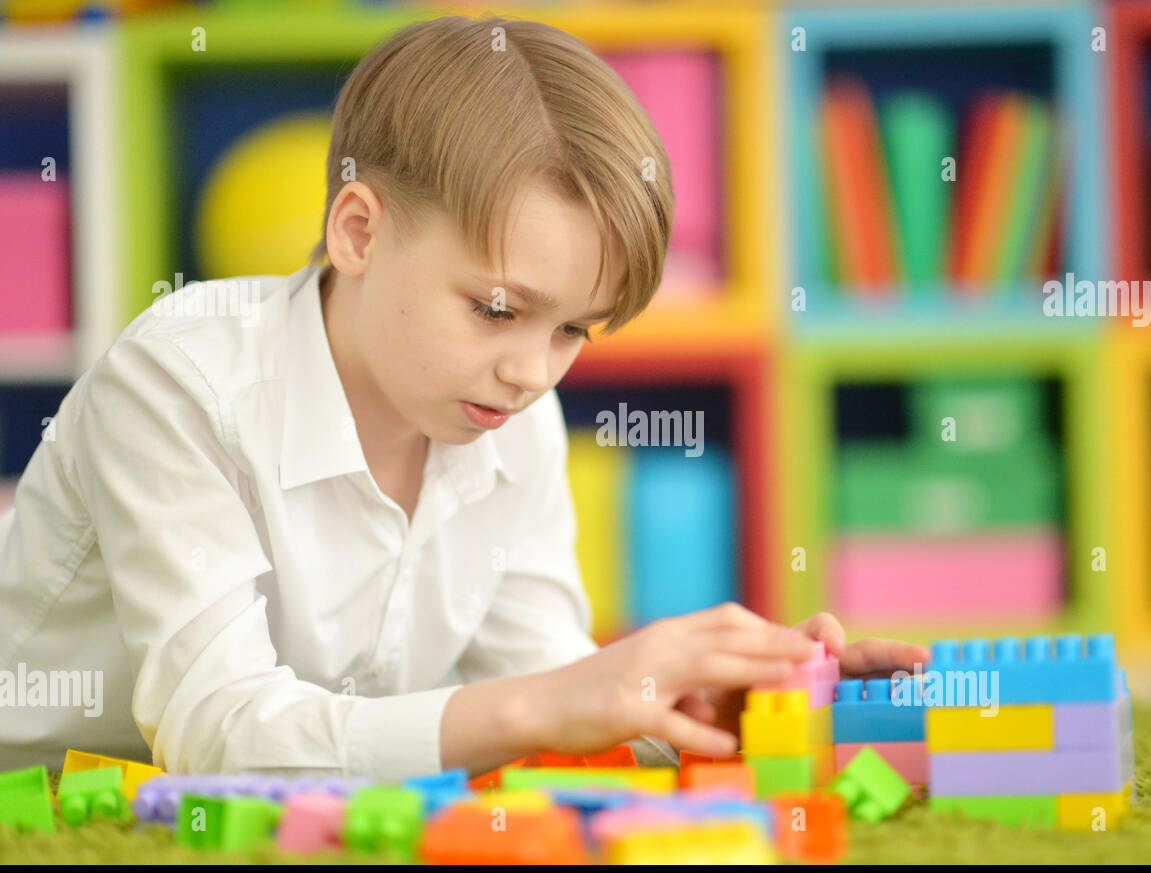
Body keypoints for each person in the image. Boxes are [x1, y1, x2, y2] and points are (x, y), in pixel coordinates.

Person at [0, 15, 927, 779]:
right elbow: (216, 732)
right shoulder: (178, 384)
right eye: (497, 310)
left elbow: (548, 687)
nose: (534, 372)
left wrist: (697, 709)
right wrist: (549, 704)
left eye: (573, 329)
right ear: (359, 232)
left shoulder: (513, 421)